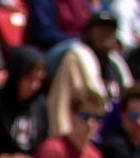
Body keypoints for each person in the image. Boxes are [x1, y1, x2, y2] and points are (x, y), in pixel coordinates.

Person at [48, 9, 128, 139]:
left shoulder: (115, 63)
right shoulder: (76, 56)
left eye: (110, 30)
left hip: (110, 134)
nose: (106, 34)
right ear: (90, 31)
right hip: (79, 132)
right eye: (101, 29)